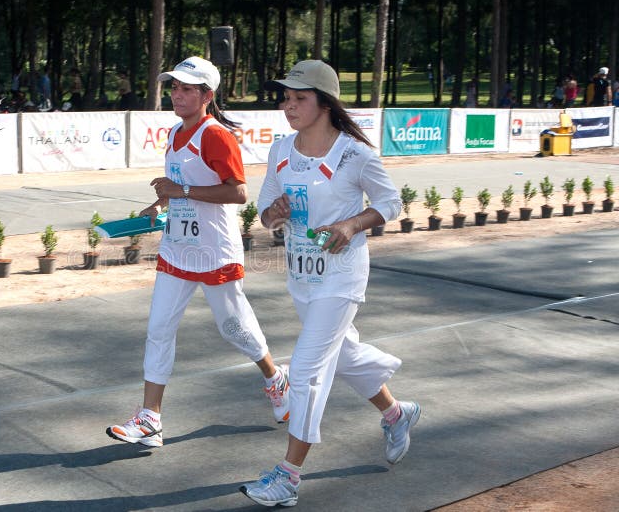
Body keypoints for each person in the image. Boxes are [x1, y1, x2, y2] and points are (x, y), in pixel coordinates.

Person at [239, 60, 420, 507]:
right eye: (285, 97)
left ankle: (288, 477)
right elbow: (263, 211)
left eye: (299, 98)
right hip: (302, 276)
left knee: (305, 370)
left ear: (325, 103)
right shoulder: (281, 150)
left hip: (342, 276)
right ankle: (397, 414)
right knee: (344, 355)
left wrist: (354, 223)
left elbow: (391, 202)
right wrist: (273, 215)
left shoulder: (355, 154)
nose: (288, 105)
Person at [106, 56, 290, 448]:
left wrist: (180, 192)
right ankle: (150, 418)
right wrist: (159, 206)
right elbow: (177, 186)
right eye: (174, 87)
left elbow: (238, 193)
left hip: (214, 250)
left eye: (187, 88)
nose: (177, 94)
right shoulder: (174, 133)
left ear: (207, 95)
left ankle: (275, 378)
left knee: (234, 328)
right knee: (159, 328)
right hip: (177, 248)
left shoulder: (215, 135)